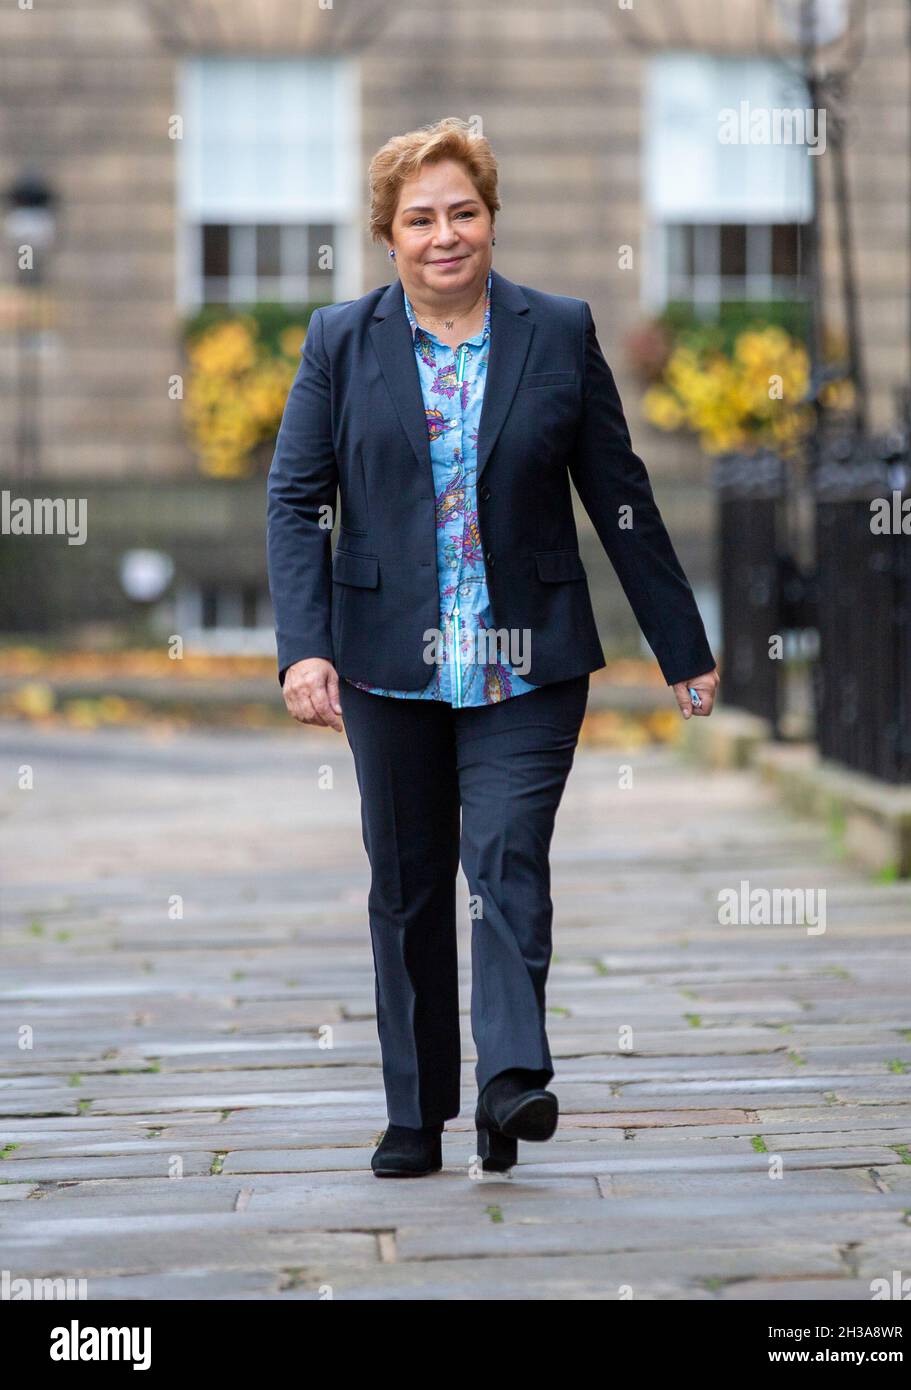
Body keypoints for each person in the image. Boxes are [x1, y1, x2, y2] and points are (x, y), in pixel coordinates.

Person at [266, 116, 719, 1178]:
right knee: (410, 884)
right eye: (418, 218)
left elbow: (616, 496)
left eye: (461, 212)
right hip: (387, 662)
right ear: (387, 236)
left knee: (506, 854)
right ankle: (415, 1115)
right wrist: (303, 647)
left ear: (492, 219)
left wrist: (679, 644)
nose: (443, 234)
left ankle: (511, 1078)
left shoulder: (555, 330)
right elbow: (296, 499)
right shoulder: (340, 341)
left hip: (527, 657)